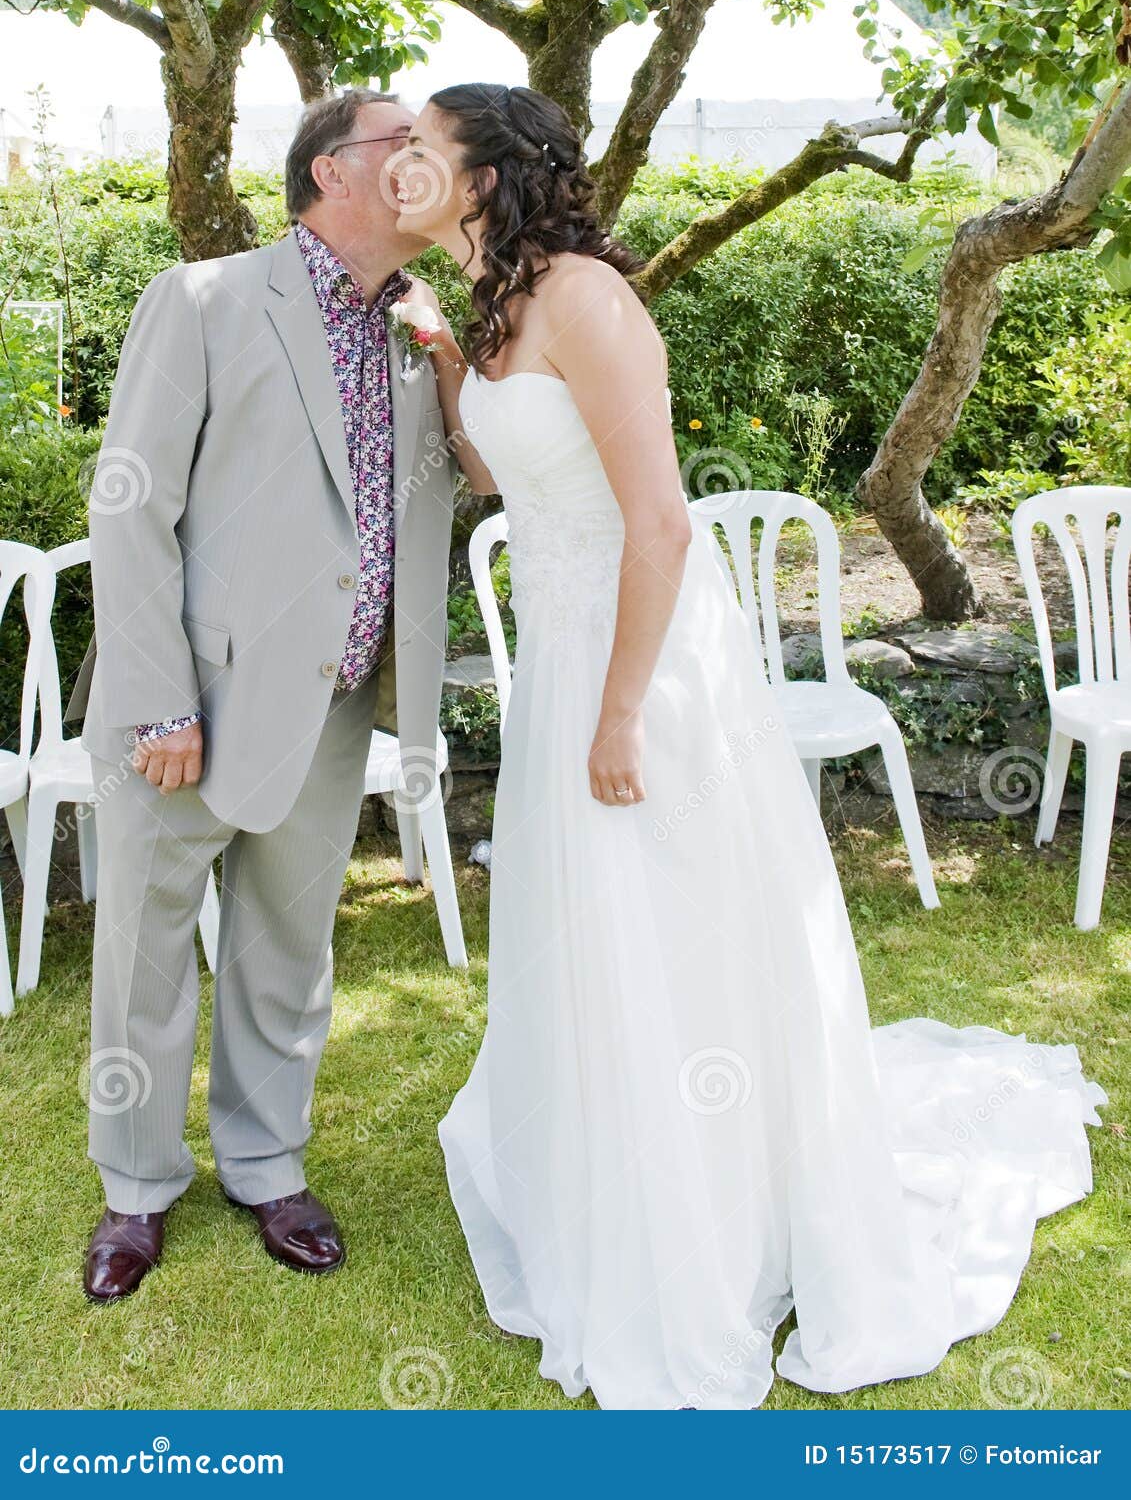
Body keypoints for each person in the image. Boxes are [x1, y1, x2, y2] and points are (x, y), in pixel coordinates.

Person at [391, 82, 1109, 1411]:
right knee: (585, 919)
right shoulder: (496, 313)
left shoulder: (590, 302)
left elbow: (656, 523)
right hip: (560, 649)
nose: (399, 167)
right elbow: (502, 476)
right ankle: (605, 1169)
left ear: (489, 172)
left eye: (422, 152)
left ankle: (716, 1211)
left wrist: (617, 711)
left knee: (662, 914)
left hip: (644, 661)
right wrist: (443, 356)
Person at [65, 89, 474, 1301]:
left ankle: (266, 1161)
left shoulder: (416, 327)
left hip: (335, 702)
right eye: (404, 143)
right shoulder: (205, 297)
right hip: (185, 707)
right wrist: (157, 704)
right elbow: (128, 503)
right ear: (332, 171)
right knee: (144, 954)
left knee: (286, 954)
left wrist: (450, 341)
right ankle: (135, 1188)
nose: (424, 161)